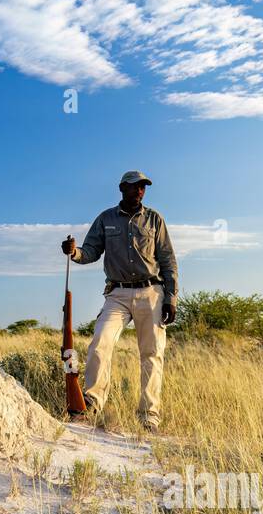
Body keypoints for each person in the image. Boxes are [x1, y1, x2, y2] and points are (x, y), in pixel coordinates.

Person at [61, 170, 178, 432]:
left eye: (143, 187)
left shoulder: (154, 219)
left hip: (151, 292)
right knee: (100, 343)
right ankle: (91, 402)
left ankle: (149, 416)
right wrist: (74, 252)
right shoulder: (106, 218)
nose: (139, 191)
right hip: (117, 293)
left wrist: (171, 297)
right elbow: (90, 252)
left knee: (152, 354)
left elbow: (168, 259)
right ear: (122, 188)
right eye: (135, 186)